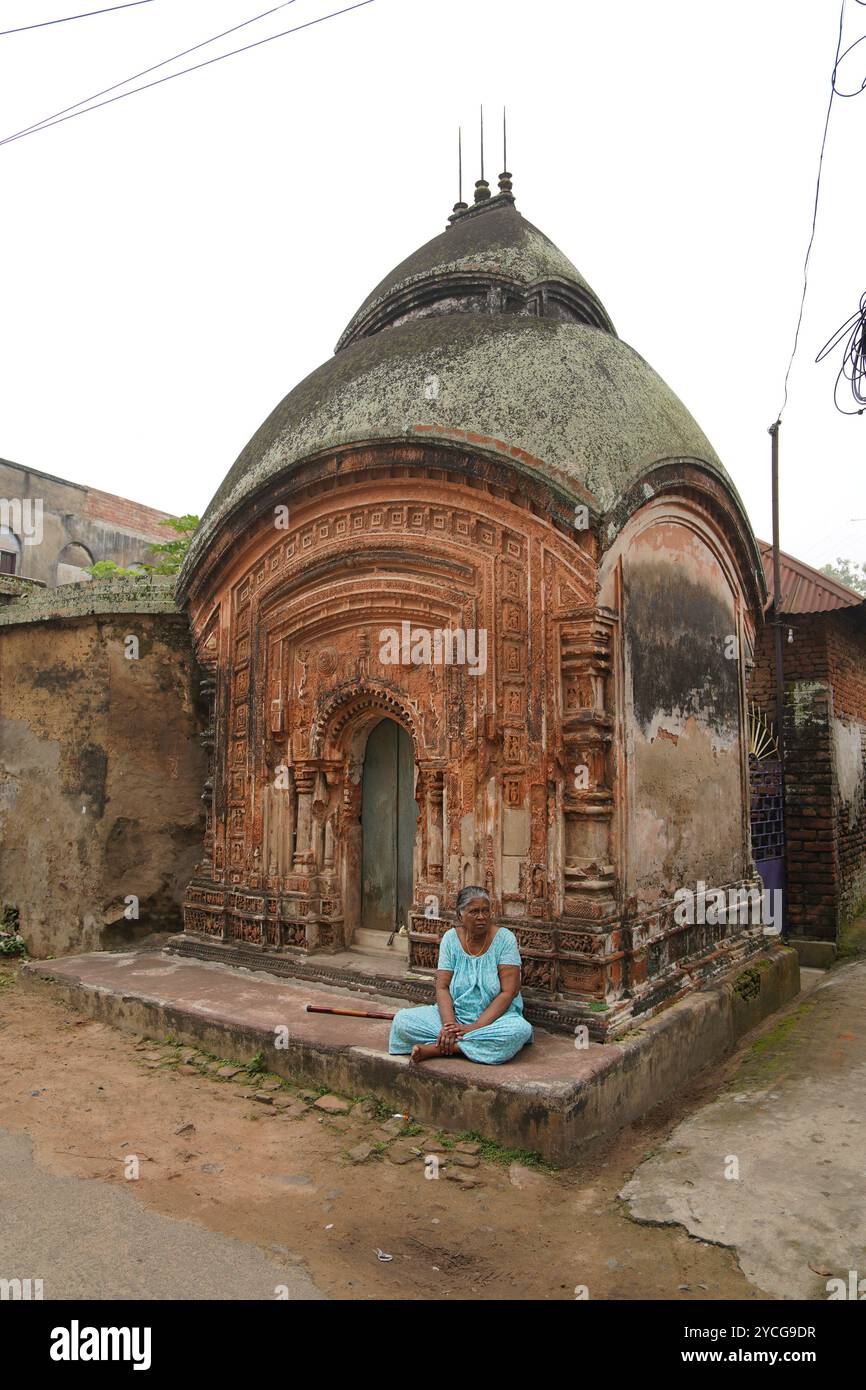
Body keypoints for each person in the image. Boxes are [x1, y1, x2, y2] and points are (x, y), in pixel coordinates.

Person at [388, 886, 533, 1065]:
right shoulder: (450, 939)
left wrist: (476, 1026)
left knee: (518, 1031)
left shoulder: (505, 939)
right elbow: (442, 987)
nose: (482, 916)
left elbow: (508, 992)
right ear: (460, 915)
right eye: (474, 912)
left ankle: (440, 1048)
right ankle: (465, 1044)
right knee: (403, 1021)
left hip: (495, 1019)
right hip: (456, 1015)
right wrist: (449, 1026)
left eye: (485, 911)